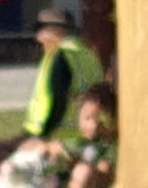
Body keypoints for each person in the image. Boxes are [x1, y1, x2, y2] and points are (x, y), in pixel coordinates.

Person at [22, 8, 105, 141]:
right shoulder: (88, 54)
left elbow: (58, 101)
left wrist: (42, 136)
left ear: (55, 31)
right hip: (89, 135)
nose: (38, 38)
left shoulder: (61, 56)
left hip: (58, 138)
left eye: (40, 30)